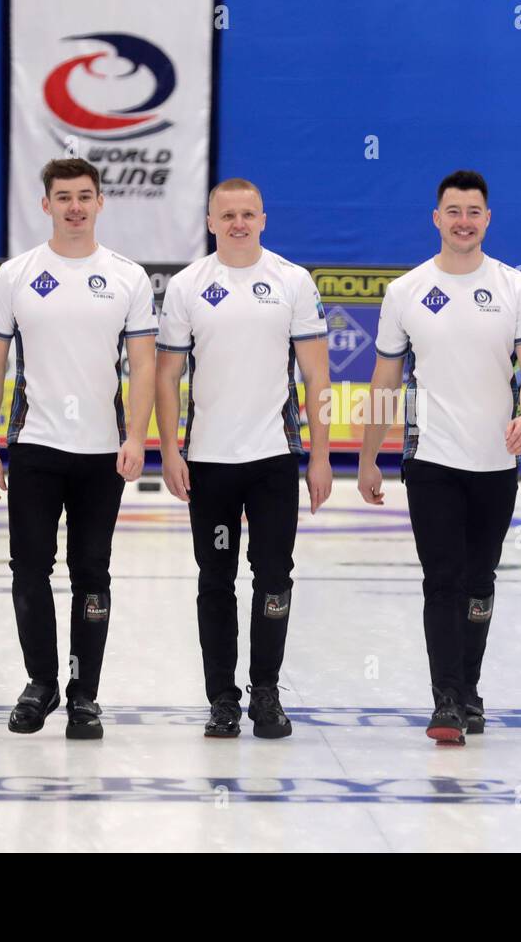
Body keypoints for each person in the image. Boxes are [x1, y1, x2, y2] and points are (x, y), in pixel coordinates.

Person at [357, 169, 521, 745]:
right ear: (436, 218)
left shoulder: (515, 286)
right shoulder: (406, 291)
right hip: (431, 459)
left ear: (487, 219)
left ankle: (469, 687)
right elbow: (386, 377)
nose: (463, 221)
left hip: (496, 459)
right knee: (441, 579)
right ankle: (446, 698)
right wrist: (370, 457)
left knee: (479, 580)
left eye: (474, 212)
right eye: (453, 211)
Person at [0, 158, 156, 740]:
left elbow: (146, 364)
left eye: (84, 196)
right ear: (44, 203)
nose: (74, 206)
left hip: (102, 453)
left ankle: (84, 695)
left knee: (92, 573)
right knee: (29, 569)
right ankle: (41, 683)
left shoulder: (128, 276)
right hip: (35, 448)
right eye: (63, 196)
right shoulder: (17, 274)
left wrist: (136, 437)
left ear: (101, 202)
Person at [156, 178, 331, 740]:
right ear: (210, 220)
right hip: (209, 463)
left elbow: (317, 375)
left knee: (274, 576)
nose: (238, 223)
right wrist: (169, 450)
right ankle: (222, 699)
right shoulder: (187, 286)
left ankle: (266, 692)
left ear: (263, 218)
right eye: (227, 214)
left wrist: (321, 457)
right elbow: (166, 375)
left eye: (248, 214)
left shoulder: (292, 282)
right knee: (216, 580)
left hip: (274, 459)